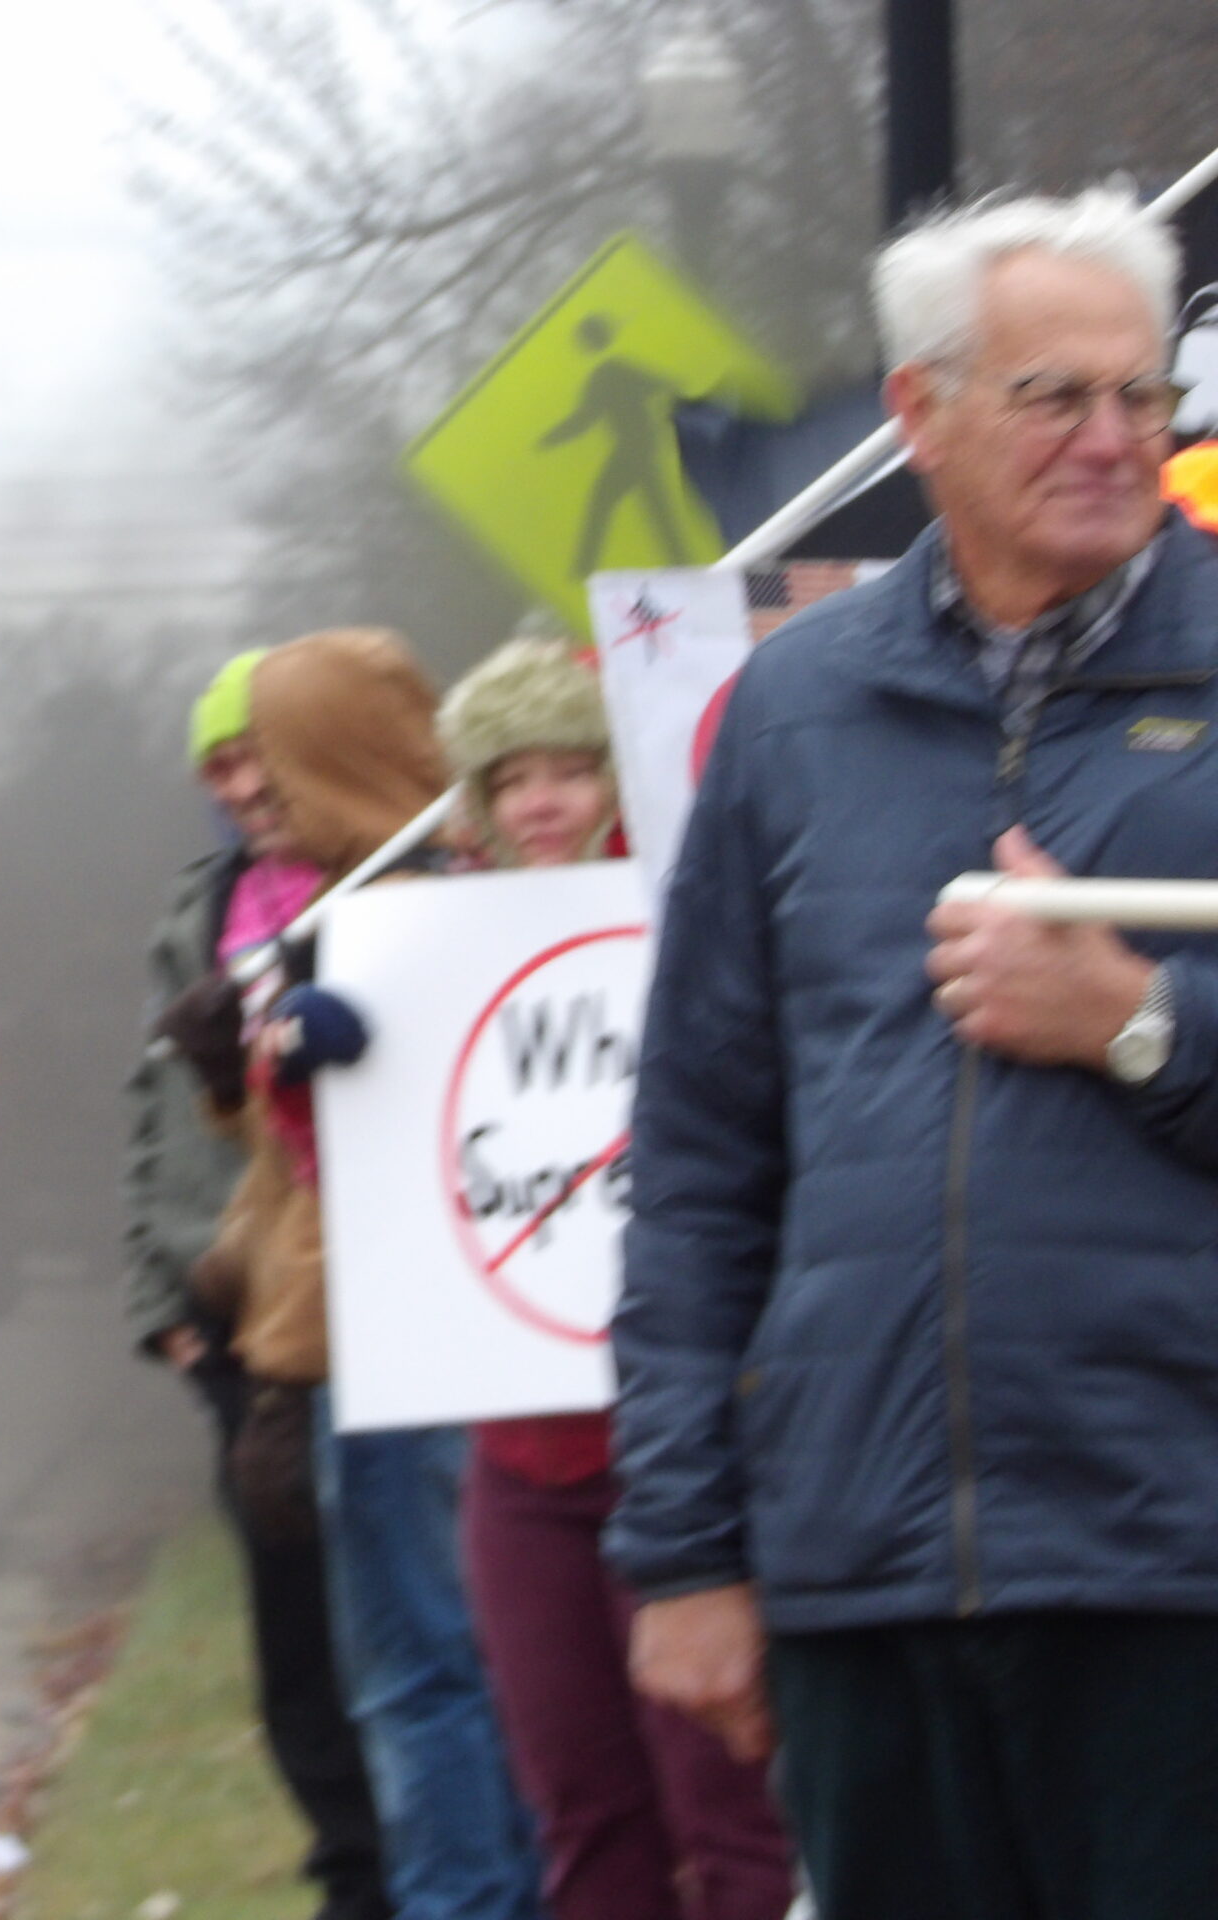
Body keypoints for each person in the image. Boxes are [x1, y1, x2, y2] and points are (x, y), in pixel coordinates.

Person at [610, 186, 1218, 1919]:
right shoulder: (798, 710)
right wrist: (684, 1552)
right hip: (864, 1575)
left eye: (1141, 396)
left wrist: (1145, 1026)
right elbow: (701, 1156)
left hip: (1177, 1567)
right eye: (1056, 397)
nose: (1116, 440)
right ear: (918, 410)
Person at [176, 629, 546, 1920]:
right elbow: (281, 1160)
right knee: (406, 1665)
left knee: (440, 1667)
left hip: (424, 1331)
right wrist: (238, 1070)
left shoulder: (448, 899)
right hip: (331, 1333)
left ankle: (476, 1900)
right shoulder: (280, 904)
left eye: (267, 754)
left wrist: (363, 1030)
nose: (245, 788)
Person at [432, 637, 794, 1920]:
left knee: (733, 1817)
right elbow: (379, 1205)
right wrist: (303, 1069)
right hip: (519, 1463)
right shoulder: (420, 958)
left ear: (618, 779)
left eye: (570, 769)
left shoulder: (702, 915)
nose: (541, 803)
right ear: (473, 805)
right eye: (510, 778)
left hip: (684, 1449)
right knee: (582, 1815)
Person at [122, 648, 392, 1920]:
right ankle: (348, 1869)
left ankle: (410, 1870)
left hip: (370, 1307)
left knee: (397, 1628)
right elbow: (160, 1112)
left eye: (252, 754)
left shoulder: (391, 881)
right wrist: (162, 1306)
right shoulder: (203, 912)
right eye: (216, 765)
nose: (237, 784)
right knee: (291, 1636)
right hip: (233, 1314)